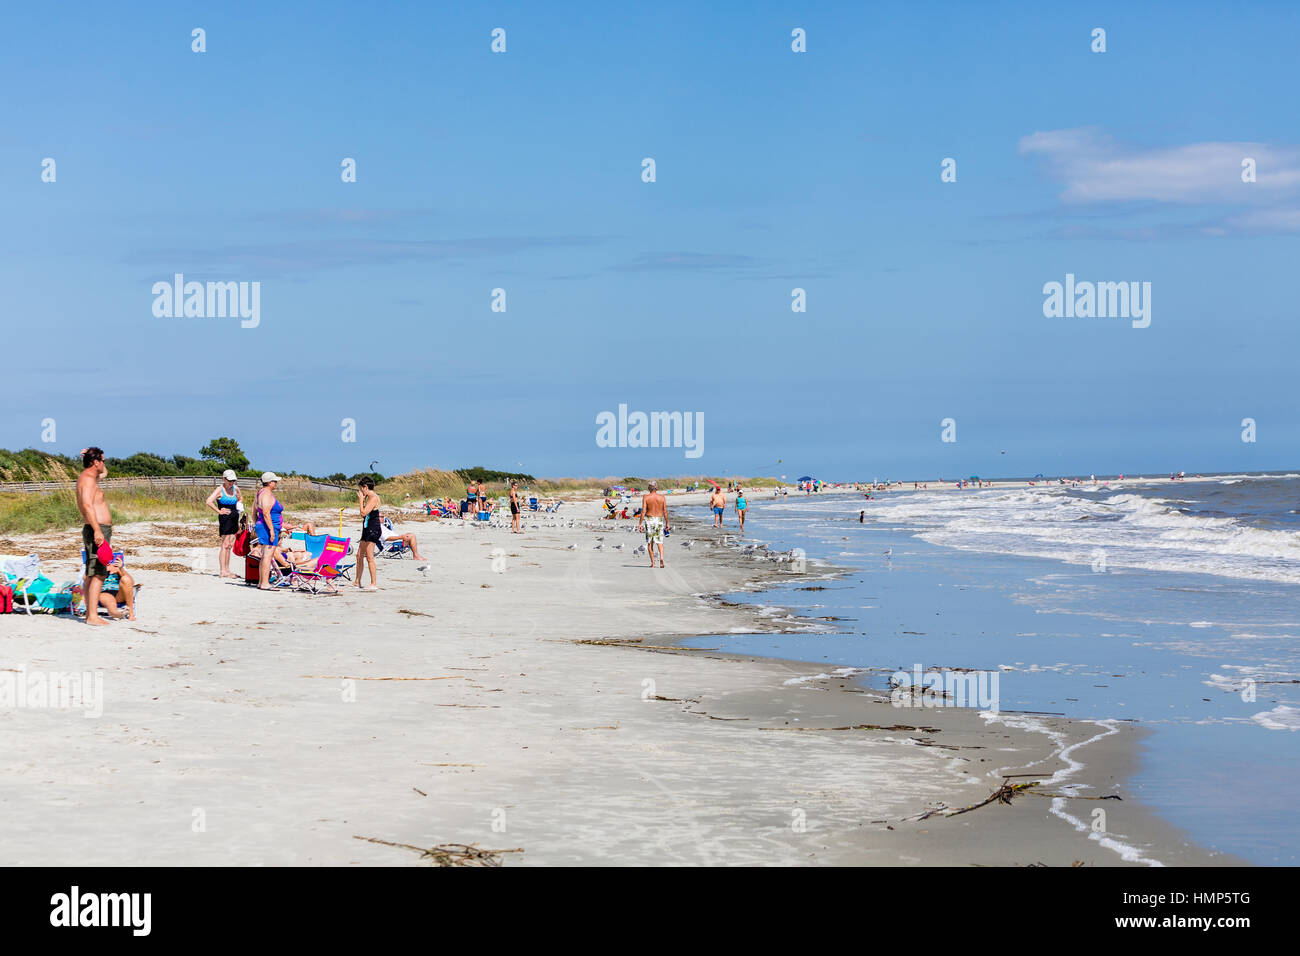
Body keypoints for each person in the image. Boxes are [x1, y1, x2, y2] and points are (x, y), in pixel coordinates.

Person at [76, 447, 120, 626]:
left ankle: (90, 614)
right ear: (95, 463)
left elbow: (105, 473)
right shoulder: (87, 480)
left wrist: (90, 455)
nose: (104, 463)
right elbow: (87, 505)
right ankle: (92, 616)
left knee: (92, 572)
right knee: (98, 574)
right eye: (102, 460)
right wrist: (97, 530)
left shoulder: (91, 477)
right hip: (97, 529)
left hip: (98, 529)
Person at [205, 469, 243, 578]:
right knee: (224, 544)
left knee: (229, 545)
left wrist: (239, 506)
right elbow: (208, 501)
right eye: (230, 480)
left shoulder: (235, 489)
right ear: (224, 479)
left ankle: (227, 570)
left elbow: (240, 498)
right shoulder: (219, 489)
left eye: (233, 480)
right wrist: (219, 511)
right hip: (225, 519)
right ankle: (222, 571)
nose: (232, 482)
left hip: (235, 517)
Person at [254, 472, 284, 591]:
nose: (276, 483)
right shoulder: (266, 494)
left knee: (265, 555)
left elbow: (253, 511)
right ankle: (265, 583)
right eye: (275, 481)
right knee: (267, 555)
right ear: (270, 482)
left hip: (264, 526)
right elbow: (266, 512)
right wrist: (271, 530)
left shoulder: (260, 493)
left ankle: (261, 582)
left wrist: (258, 523)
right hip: (268, 527)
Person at [355, 477, 382, 590]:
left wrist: (361, 500)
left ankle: (373, 583)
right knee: (359, 556)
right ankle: (357, 581)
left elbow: (363, 513)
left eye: (361, 489)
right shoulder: (369, 497)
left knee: (369, 557)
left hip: (373, 529)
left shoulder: (374, 497)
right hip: (366, 528)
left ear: (365, 487)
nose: (361, 492)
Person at [638, 481, 669, 569]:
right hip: (659, 520)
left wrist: (640, 523)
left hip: (649, 520)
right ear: (657, 488)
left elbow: (643, 511)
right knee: (659, 542)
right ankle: (661, 558)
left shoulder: (646, 497)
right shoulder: (662, 497)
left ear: (649, 488)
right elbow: (665, 512)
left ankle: (653, 563)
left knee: (650, 542)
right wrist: (667, 523)